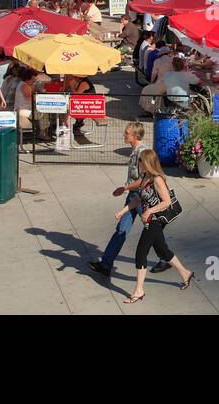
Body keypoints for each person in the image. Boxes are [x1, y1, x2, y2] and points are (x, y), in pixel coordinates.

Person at [88, 123, 165, 278]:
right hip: (134, 196)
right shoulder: (134, 151)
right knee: (122, 230)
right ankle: (105, 264)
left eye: (127, 133)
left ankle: (166, 257)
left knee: (152, 229)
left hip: (141, 198)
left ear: (135, 136)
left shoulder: (142, 153)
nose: (124, 135)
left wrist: (125, 188)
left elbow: (145, 179)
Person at [123, 152, 194, 304]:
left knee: (141, 253)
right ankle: (185, 273)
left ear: (147, 162)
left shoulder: (157, 179)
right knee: (162, 250)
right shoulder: (144, 177)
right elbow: (138, 198)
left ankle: (138, 290)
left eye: (140, 160)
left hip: (155, 220)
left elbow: (166, 202)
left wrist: (148, 211)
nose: (138, 163)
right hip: (149, 220)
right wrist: (122, 211)